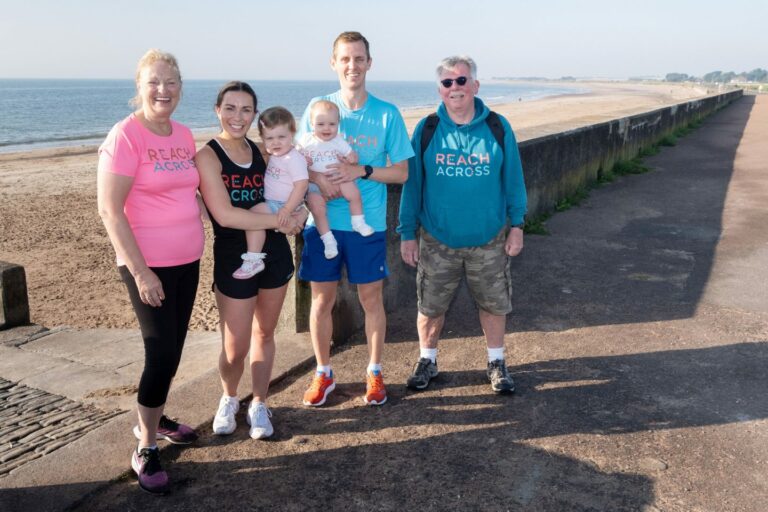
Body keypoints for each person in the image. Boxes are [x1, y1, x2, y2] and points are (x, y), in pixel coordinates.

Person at [98, 49, 202, 495]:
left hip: (188, 260)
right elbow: (110, 210)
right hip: (148, 265)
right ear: (138, 87)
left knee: (174, 348)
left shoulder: (182, 133)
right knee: (159, 352)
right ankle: (145, 445)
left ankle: (158, 419)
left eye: (171, 82)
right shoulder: (125, 136)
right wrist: (141, 272)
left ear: (181, 87)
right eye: (154, 82)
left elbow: (192, 192)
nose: (163, 90)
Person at [397, 55, 527, 394]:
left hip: (489, 238)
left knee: (493, 304)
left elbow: (514, 179)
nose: (455, 88)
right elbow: (413, 186)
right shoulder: (426, 130)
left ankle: (496, 361)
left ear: (475, 86)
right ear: (440, 90)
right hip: (438, 239)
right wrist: (407, 234)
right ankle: (428, 359)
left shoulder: (498, 127)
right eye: (447, 82)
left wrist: (517, 225)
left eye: (462, 80)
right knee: (430, 306)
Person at [297, 31, 414, 407]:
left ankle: (375, 371)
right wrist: (318, 181)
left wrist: (361, 171)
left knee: (371, 300)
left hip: (368, 224)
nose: (352, 66)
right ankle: (323, 374)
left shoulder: (387, 114)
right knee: (321, 301)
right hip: (323, 224)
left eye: (359, 58)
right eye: (345, 59)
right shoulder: (318, 108)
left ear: (369, 63)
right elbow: (294, 161)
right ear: (334, 63)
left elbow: (401, 173)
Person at [195, 82, 305, 441]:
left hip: (273, 253)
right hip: (233, 255)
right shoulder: (208, 156)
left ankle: (259, 402)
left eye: (246, 110)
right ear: (218, 110)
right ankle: (229, 397)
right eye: (230, 108)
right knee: (235, 344)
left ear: (255, 115)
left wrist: (300, 211)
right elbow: (224, 216)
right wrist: (281, 220)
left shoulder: (265, 150)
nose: (237, 116)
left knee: (265, 333)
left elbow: (296, 177)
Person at [231, 106, 308, 279]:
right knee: (255, 216)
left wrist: (287, 210)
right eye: (270, 138)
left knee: (253, 216)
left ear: (293, 134)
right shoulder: (275, 154)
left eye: (281, 137)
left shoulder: (293, 158)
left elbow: (302, 185)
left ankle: (253, 258)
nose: (276, 142)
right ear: (262, 139)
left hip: (283, 205)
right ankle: (254, 257)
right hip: (278, 203)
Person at [298, 99, 374, 259]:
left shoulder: (338, 140)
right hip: (314, 185)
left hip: (338, 178)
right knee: (317, 208)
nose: (326, 128)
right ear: (311, 124)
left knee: (354, 193)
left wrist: (353, 159)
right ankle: (328, 240)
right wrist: (302, 159)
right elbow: (294, 159)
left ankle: (358, 221)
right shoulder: (306, 140)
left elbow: (351, 156)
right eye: (320, 124)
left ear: (338, 124)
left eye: (331, 124)